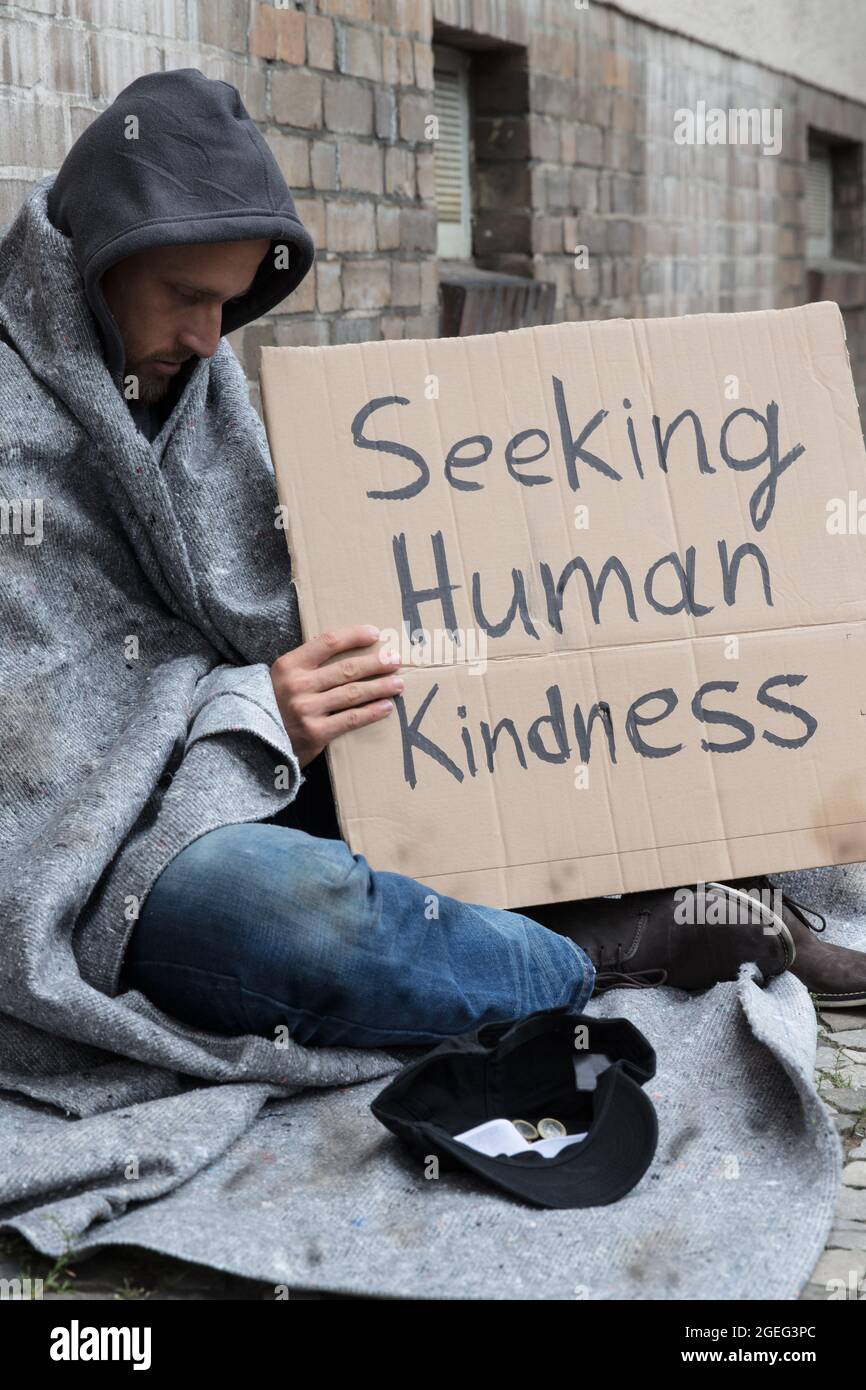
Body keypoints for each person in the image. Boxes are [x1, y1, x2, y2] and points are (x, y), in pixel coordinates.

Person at [6, 71, 864, 1064]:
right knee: (262, 909)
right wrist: (252, 715)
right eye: (186, 297)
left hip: (243, 771)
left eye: (230, 305)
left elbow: (260, 607)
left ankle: (683, 873)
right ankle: (613, 945)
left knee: (482, 723)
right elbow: (42, 772)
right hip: (111, 866)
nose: (208, 338)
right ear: (106, 256)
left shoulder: (191, 380)